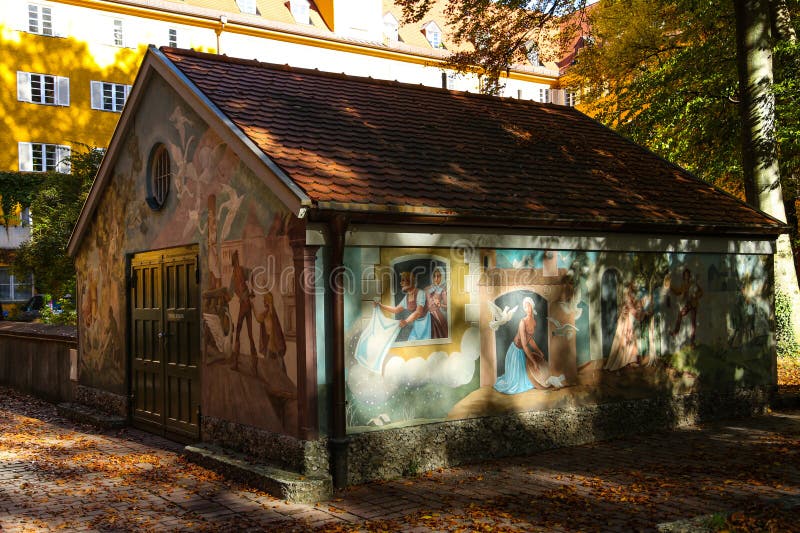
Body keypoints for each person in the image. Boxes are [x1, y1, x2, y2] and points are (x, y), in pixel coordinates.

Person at [495, 297, 564, 393]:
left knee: (528, 379)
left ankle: (553, 381)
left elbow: (530, 339)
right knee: (517, 384)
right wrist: (534, 362)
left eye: (528, 306)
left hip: (521, 352)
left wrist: (539, 351)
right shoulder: (522, 322)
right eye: (525, 307)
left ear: (532, 306)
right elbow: (524, 345)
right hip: (515, 352)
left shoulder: (534, 322)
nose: (527, 309)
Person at [604, 281, 649, 371]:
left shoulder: (632, 296)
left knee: (631, 339)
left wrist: (641, 306)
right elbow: (631, 308)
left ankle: (632, 360)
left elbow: (635, 305)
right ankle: (625, 359)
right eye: (632, 286)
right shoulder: (627, 296)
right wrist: (640, 314)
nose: (633, 287)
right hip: (626, 320)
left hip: (630, 319)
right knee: (625, 339)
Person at [375, 271, 431, 341]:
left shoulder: (420, 293)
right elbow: (396, 310)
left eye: (403, 280)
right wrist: (380, 305)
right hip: (416, 323)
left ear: (410, 281)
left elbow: (418, 312)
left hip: (425, 323)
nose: (400, 283)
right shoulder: (407, 297)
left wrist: (406, 321)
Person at [230, 249, 258, 374]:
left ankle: (236, 363)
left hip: (244, 305)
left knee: (238, 333)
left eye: (236, 259)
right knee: (250, 335)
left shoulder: (238, 272)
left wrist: (252, 290)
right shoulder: (237, 273)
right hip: (246, 304)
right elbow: (231, 292)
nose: (237, 261)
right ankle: (254, 366)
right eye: (236, 259)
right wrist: (251, 291)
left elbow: (252, 273)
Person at [668, 268, 703, 346]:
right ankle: (675, 332)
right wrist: (670, 287)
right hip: (688, 304)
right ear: (684, 276)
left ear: (689, 276)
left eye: (687, 275)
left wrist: (695, 295)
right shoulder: (683, 285)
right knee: (680, 315)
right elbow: (678, 292)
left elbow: (701, 292)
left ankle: (692, 342)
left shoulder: (693, 283)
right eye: (685, 275)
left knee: (693, 323)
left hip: (694, 304)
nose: (686, 276)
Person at [425, 267, 448, 339]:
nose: (436, 278)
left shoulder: (443, 290)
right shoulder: (427, 288)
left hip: (436, 315)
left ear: (442, 277)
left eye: (438, 276)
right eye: (434, 276)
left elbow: (447, 307)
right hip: (426, 315)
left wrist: (439, 304)